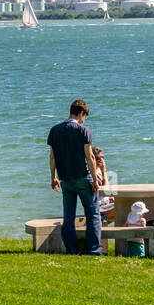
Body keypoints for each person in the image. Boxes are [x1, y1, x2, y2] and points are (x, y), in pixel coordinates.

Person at [47, 99, 101, 255]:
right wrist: (95, 179)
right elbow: (90, 156)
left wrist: (53, 177)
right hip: (84, 177)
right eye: (85, 116)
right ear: (81, 113)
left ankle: (71, 250)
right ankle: (94, 250)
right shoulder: (83, 130)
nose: (84, 120)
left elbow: (52, 157)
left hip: (65, 179)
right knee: (93, 215)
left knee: (68, 216)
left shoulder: (54, 130)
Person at [93, 147, 115, 224]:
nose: (101, 160)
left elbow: (107, 189)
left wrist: (111, 197)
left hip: (106, 203)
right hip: (100, 206)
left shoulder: (98, 170)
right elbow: (105, 189)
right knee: (125, 208)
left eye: (102, 157)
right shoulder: (91, 173)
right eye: (98, 158)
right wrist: (104, 172)